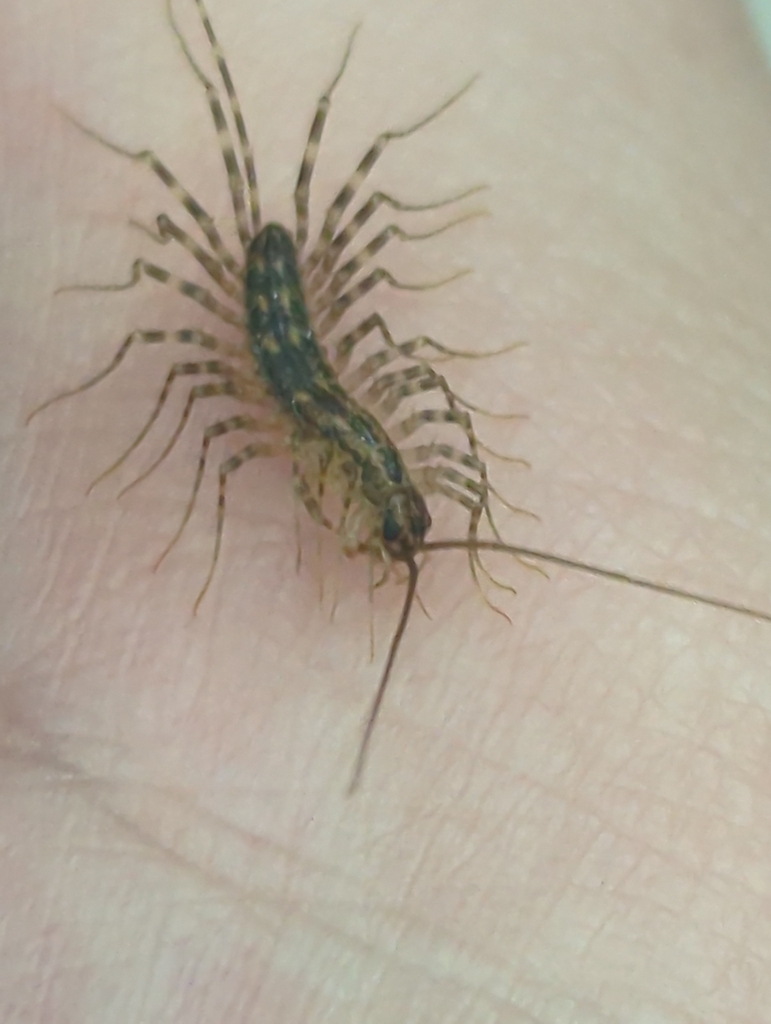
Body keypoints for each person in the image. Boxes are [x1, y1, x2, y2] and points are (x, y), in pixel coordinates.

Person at [4, 0, 771, 1018]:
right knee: (234, 192)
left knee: (383, 334)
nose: (394, 520)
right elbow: (341, 416)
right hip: (276, 340)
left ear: (404, 480)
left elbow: (423, 402)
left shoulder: (385, 447)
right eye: (400, 513)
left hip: (305, 352)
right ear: (393, 484)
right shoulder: (324, 439)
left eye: (403, 514)